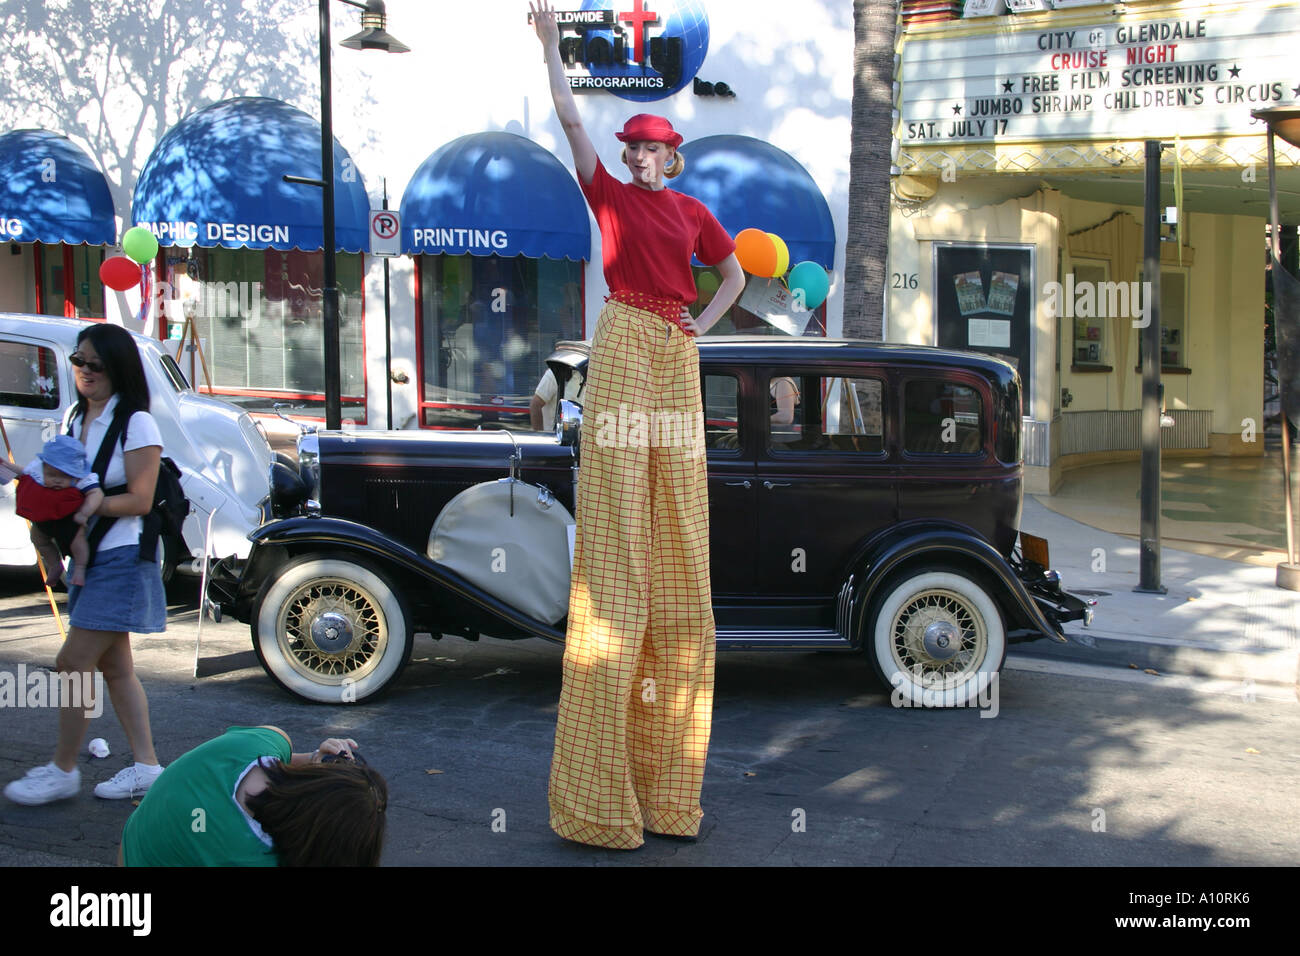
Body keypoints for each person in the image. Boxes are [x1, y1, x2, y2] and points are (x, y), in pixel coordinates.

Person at [531, 1, 746, 850]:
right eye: (638, 149)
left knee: (680, 526)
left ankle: (669, 795)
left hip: (674, 347)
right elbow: (568, 115)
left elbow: (730, 275)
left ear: (674, 157)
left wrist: (708, 324)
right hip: (622, 337)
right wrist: (551, 47)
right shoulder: (610, 195)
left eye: (657, 149)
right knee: (619, 514)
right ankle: (600, 797)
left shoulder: (693, 213)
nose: (646, 158)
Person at [3, 323, 167, 806]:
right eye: (78, 361)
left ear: (117, 368)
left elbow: (140, 500)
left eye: (95, 364)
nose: (84, 371)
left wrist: (82, 505)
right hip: (89, 557)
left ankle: (63, 769)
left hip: (119, 556)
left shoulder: (137, 422)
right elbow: (59, 476)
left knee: (72, 662)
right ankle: (148, 767)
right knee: (115, 667)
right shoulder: (75, 418)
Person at [119, 727, 387, 867]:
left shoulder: (265, 743)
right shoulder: (252, 856)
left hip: (134, 844)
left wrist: (314, 759)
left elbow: (281, 761)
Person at [0, 434, 104, 587]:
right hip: (44, 520)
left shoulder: (82, 477)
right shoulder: (39, 469)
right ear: (43, 467)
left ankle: (80, 569)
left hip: (69, 521)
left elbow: (96, 493)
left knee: (78, 543)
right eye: (51, 475)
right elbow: (24, 473)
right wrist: (7, 465)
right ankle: (55, 565)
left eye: (64, 476)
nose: (57, 480)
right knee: (38, 539)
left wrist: (85, 512)